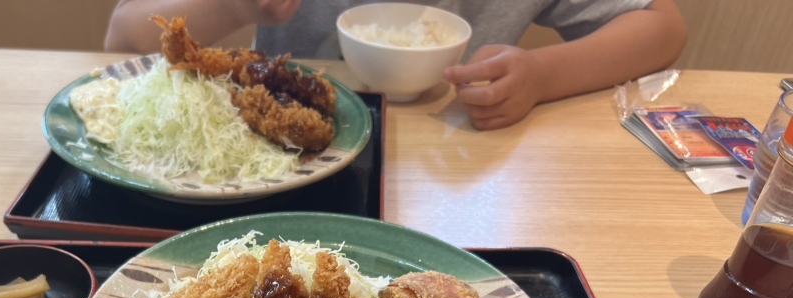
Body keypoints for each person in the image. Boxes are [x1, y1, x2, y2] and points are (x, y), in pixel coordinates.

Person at [104, 0, 687, 131]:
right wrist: (235, 6)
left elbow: (663, 27)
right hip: (277, 166)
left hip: (460, 151)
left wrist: (541, 75)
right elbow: (124, 35)